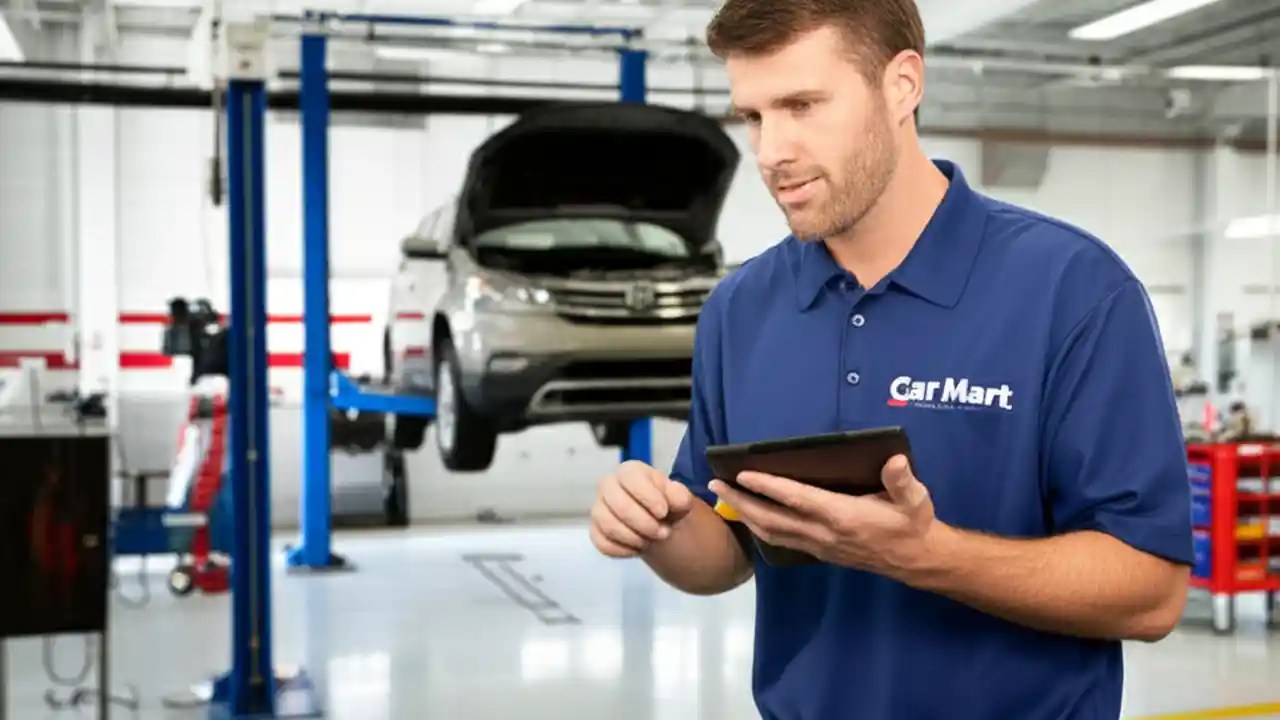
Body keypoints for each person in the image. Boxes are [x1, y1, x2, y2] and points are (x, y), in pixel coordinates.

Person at [587, 0, 1194, 718]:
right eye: (753, 117)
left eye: (803, 105)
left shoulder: (1074, 290)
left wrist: (925, 554)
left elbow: (1151, 591)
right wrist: (657, 525)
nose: (771, 151)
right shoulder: (739, 310)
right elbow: (728, 548)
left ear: (902, 84)